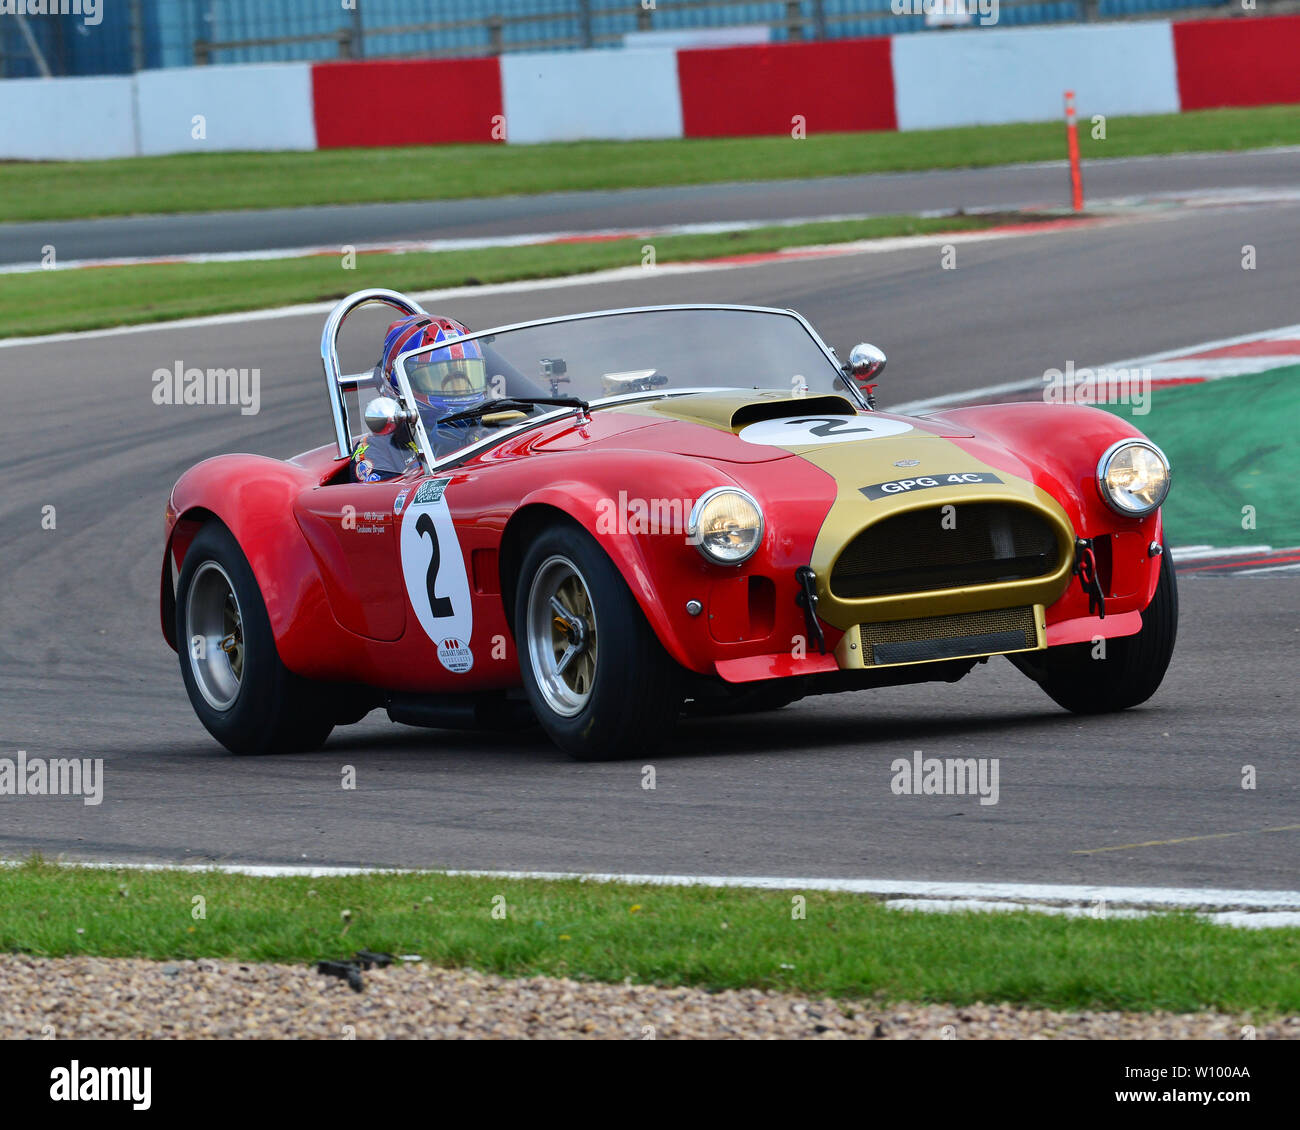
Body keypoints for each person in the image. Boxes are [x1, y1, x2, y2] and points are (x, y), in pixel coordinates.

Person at [350, 314, 490, 481]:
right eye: (439, 378)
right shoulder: (377, 448)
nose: (458, 389)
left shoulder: (494, 428)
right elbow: (384, 503)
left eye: (466, 377)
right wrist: (442, 454)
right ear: (401, 381)